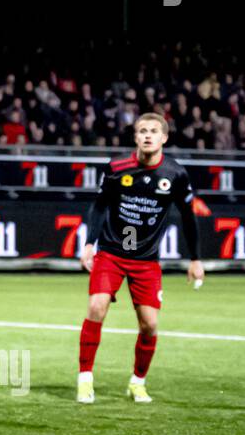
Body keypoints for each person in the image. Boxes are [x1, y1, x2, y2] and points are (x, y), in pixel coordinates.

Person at [79, 112, 203, 404]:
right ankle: (85, 378)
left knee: (149, 325)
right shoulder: (116, 168)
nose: (148, 135)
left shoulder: (175, 174)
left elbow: (188, 216)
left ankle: (138, 382)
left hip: (146, 260)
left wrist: (196, 258)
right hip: (111, 252)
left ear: (164, 138)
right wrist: (88, 244)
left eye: (153, 131)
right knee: (97, 306)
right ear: (135, 137)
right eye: (142, 131)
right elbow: (99, 207)